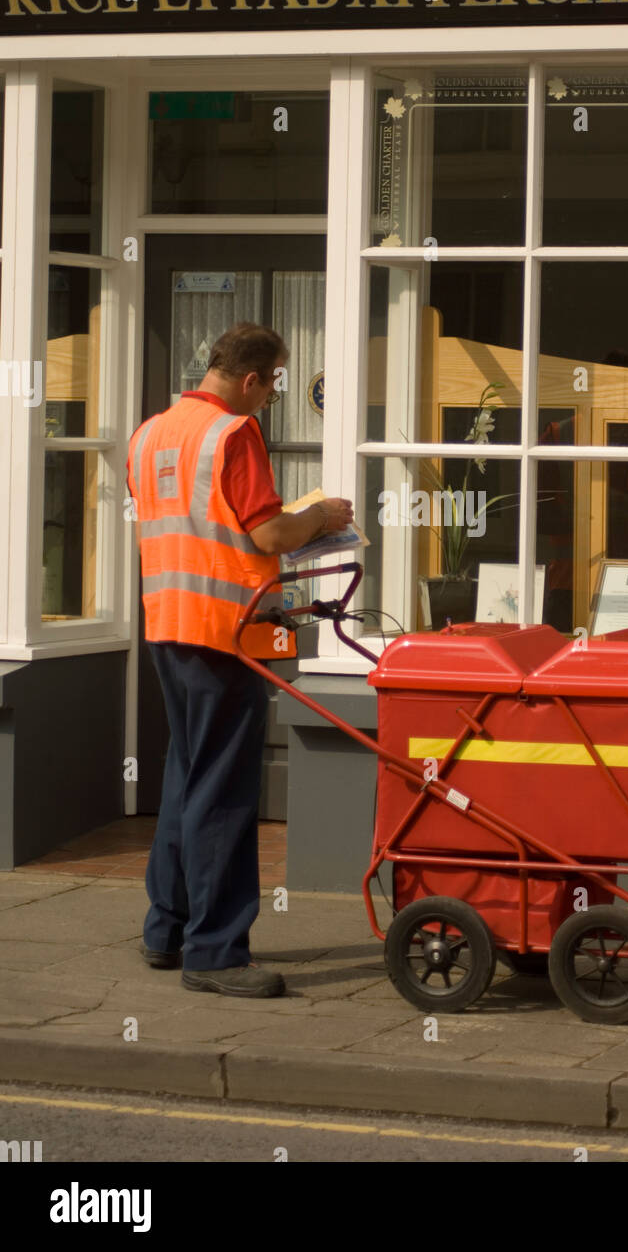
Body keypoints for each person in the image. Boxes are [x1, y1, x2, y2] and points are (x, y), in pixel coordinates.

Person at [126, 322, 354, 998]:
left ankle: (165, 930)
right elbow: (266, 531)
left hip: (168, 623)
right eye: (275, 384)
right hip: (225, 632)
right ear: (250, 379)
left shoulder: (152, 431)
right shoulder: (234, 433)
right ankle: (217, 952)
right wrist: (323, 516)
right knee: (223, 791)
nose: (271, 398)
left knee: (185, 777)